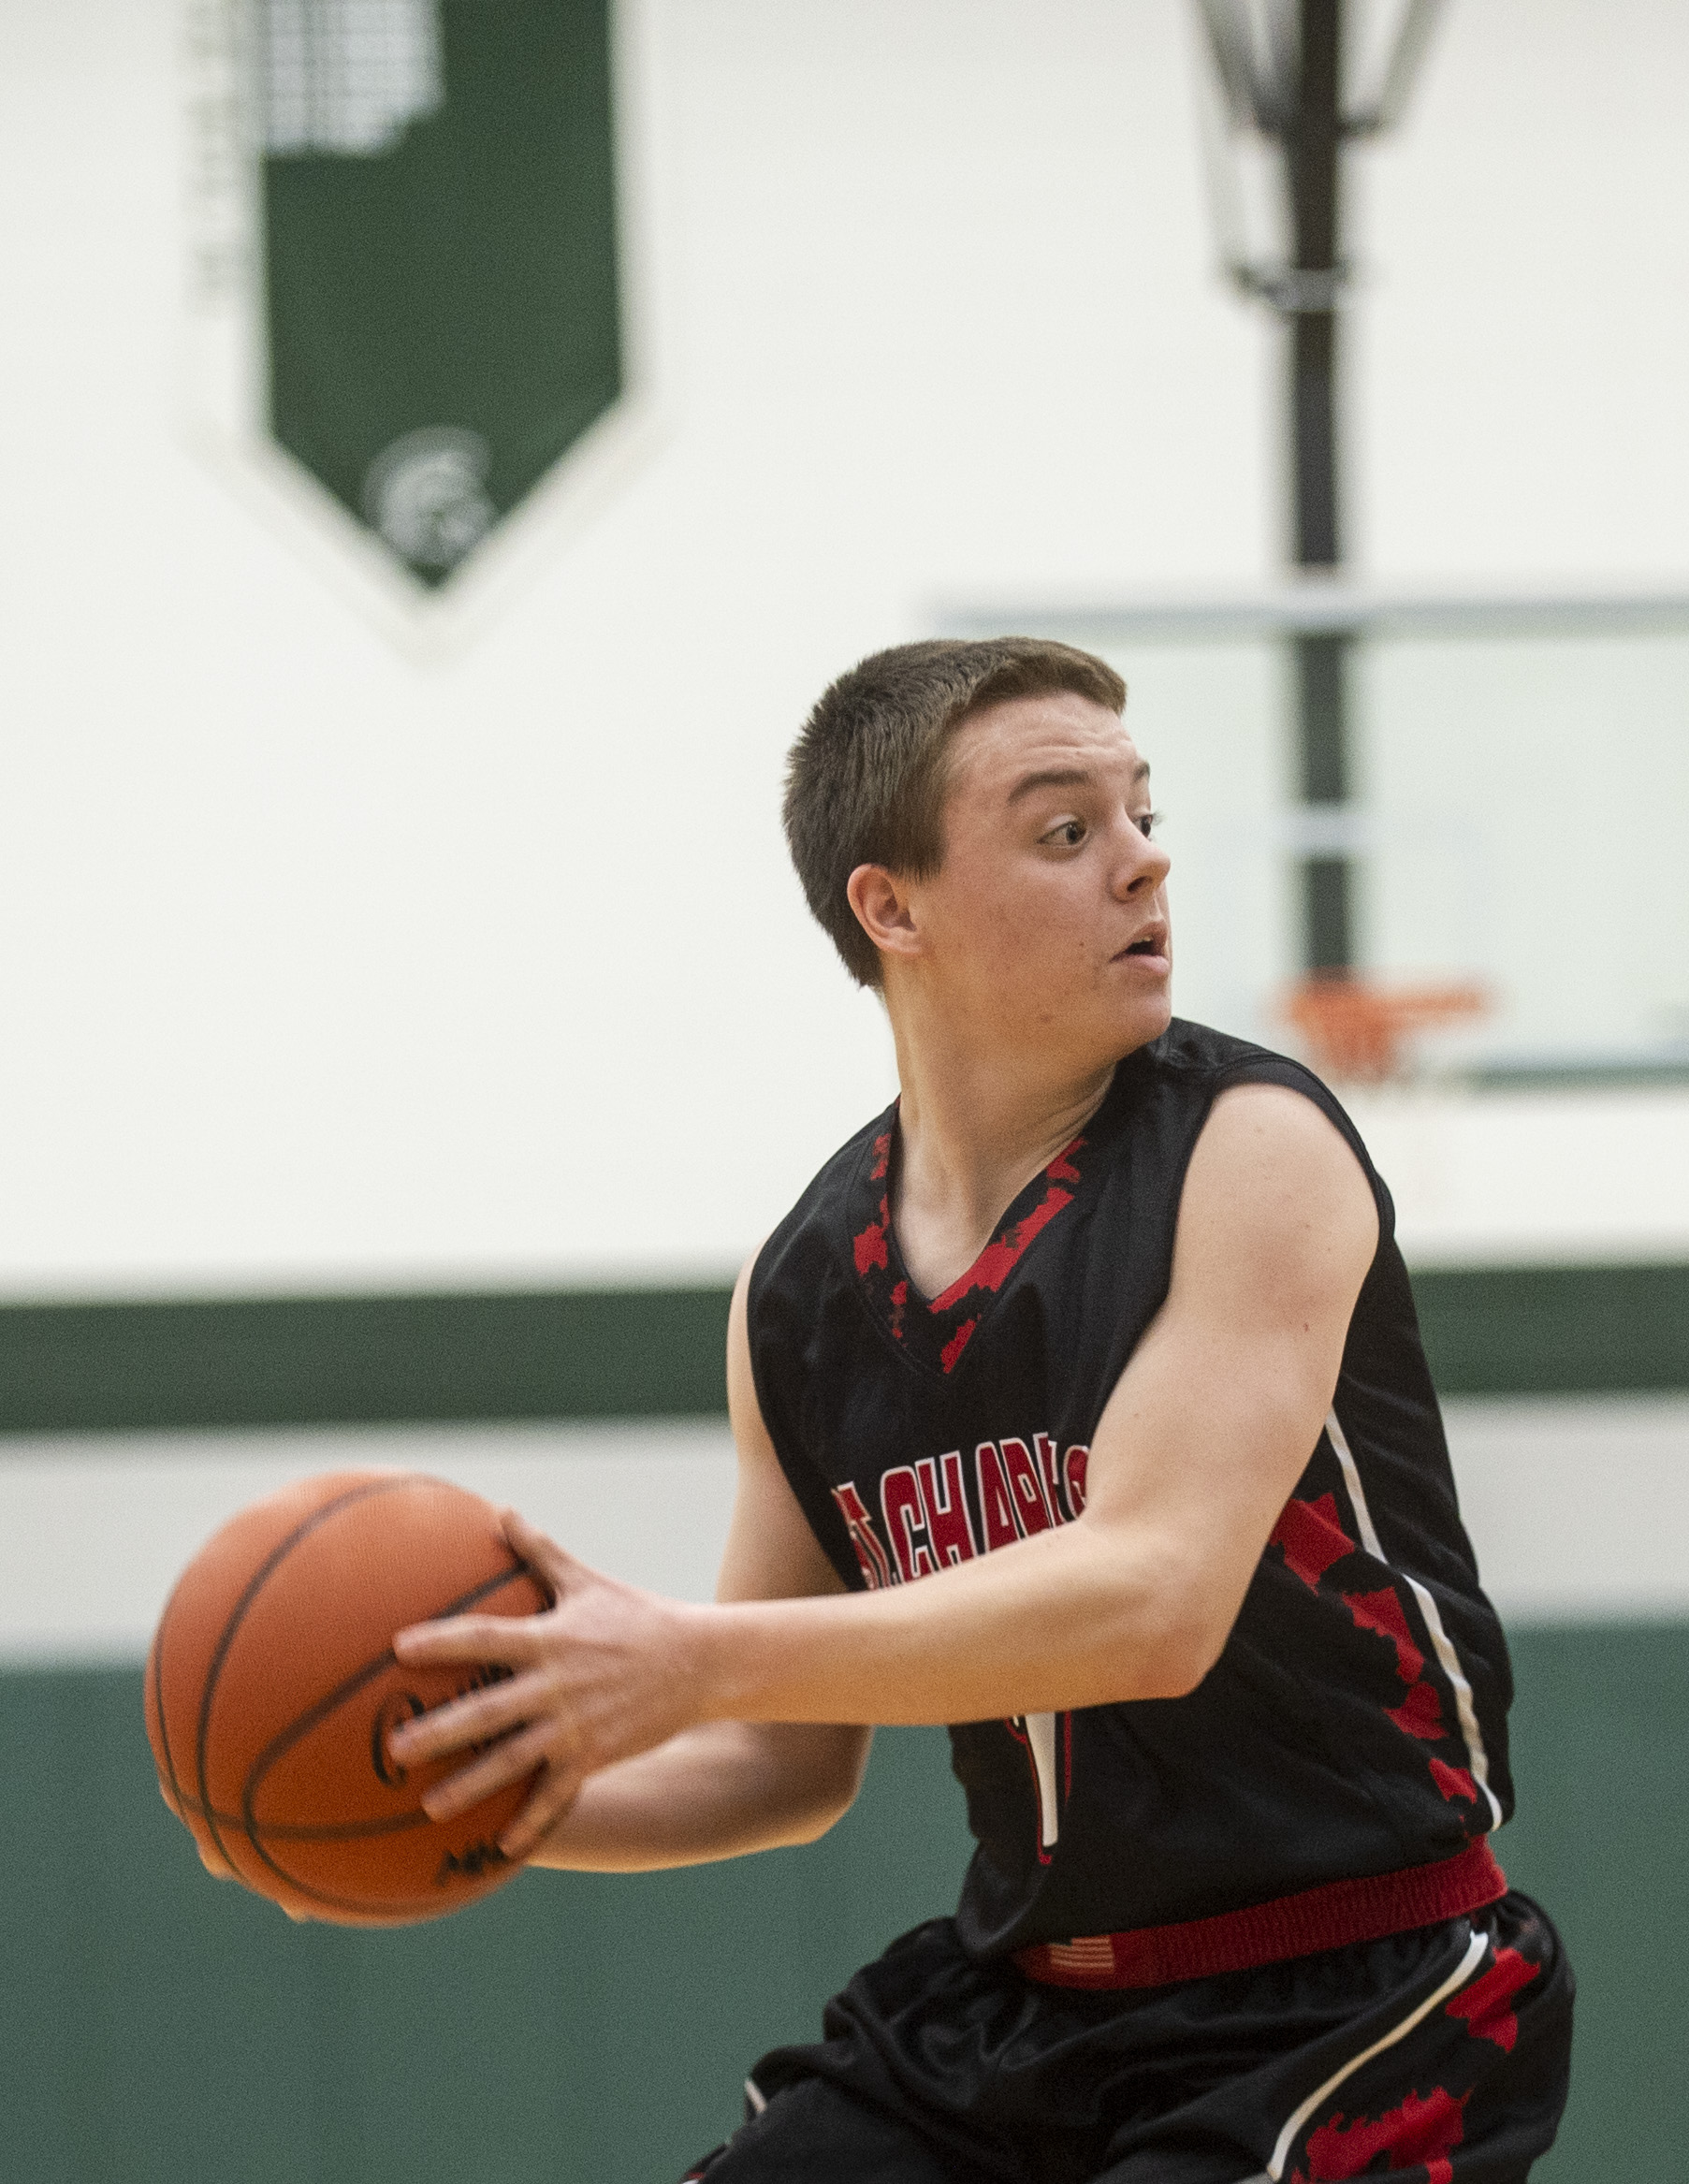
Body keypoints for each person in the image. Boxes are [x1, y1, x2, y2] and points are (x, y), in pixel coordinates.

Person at [388, 637, 1571, 2183]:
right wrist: (462, 1803)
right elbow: (778, 1763)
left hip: (1360, 1991)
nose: (1144, 863)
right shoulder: (802, 1288)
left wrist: (684, 1657)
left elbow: (1153, 1598)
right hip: (1019, 2013)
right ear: (893, 907)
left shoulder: (1250, 1148)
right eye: (1068, 829)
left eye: (1142, 815)